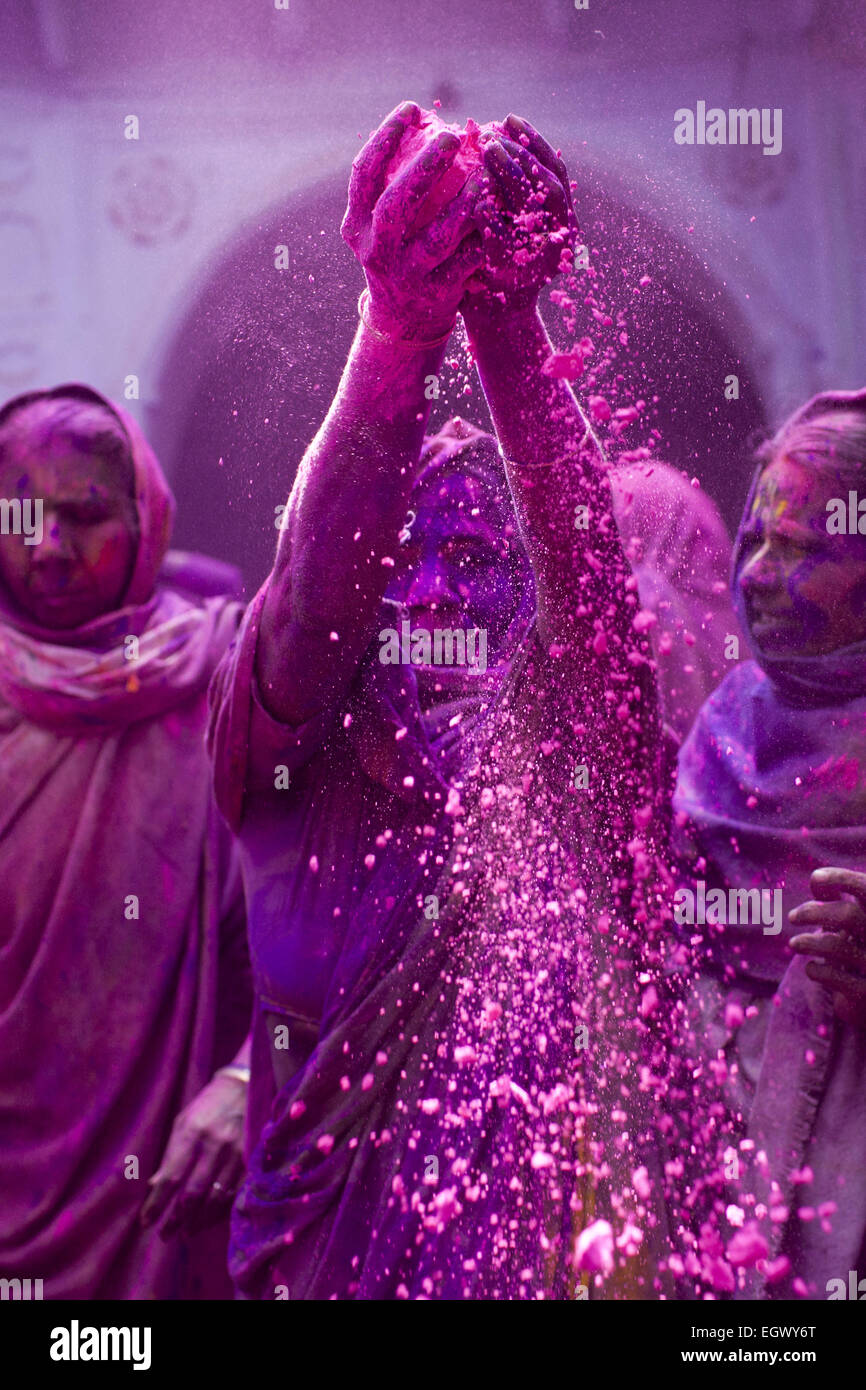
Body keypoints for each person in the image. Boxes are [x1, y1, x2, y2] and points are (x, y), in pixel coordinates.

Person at [209, 103, 723, 1300]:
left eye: (480, 565)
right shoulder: (282, 758)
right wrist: (393, 333)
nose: (438, 586)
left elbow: (587, 584)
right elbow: (308, 605)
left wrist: (505, 321)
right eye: (405, 560)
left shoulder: (547, 768)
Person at [0, 385, 253, 1299]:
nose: (47, 548)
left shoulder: (223, 676)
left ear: (144, 518)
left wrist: (246, 1074)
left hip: (177, 1206)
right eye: (20, 516)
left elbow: (321, 922)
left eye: (85, 516)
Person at [673, 387, 866, 1296]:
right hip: (708, 1183)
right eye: (755, 538)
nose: (753, 574)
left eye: (799, 551)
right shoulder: (727, 723)